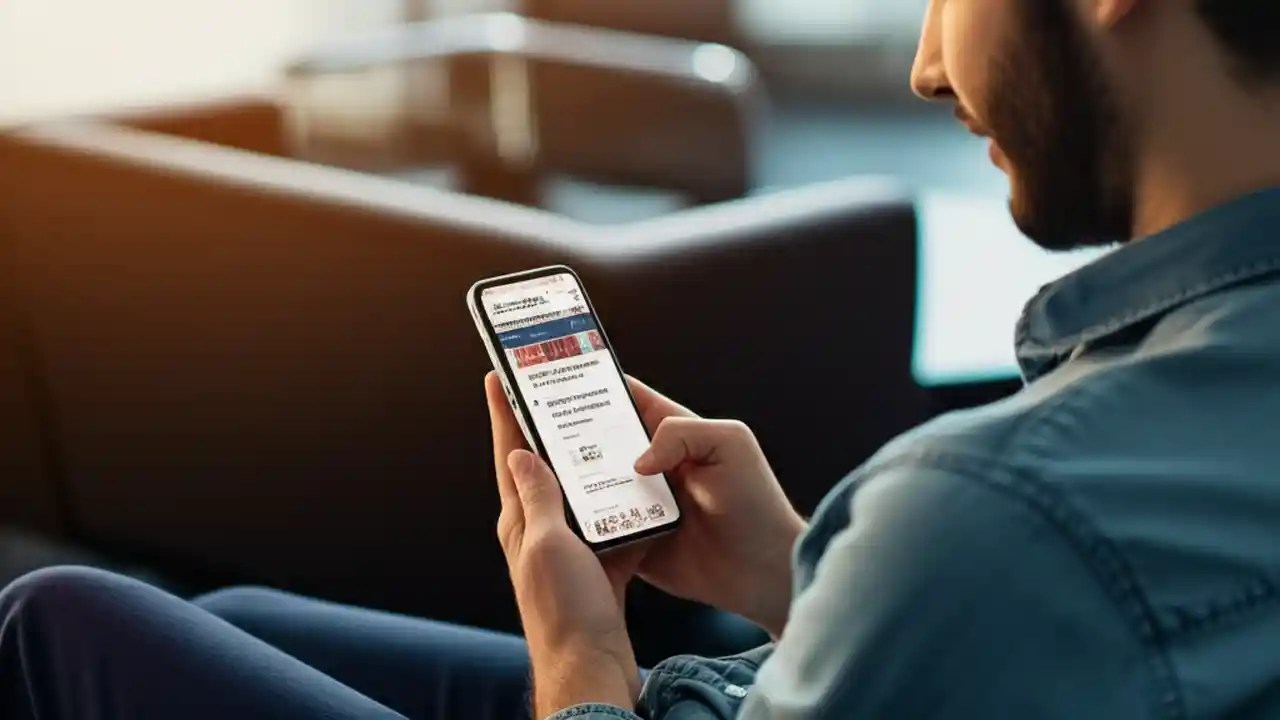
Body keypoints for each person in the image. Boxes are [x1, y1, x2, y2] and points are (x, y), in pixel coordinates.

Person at [3, 0, 1279, 717]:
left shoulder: (997, 514)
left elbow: (1043, 580)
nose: (924, 62)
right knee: (231, 625)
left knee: (61, 626)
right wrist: (805, 580)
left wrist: (582, 665)